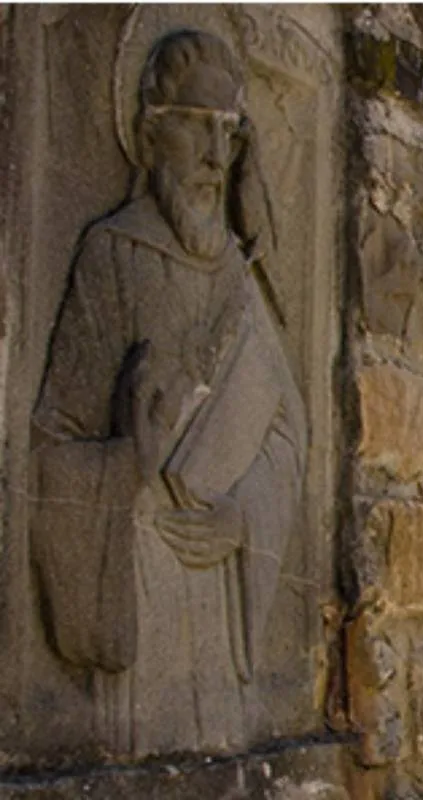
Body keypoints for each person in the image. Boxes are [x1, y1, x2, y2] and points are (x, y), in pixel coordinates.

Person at [30, 29, 306, 757]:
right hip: (139, 579)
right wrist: (129, 458)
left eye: (230, 134)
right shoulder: (113, 256)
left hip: (218, 591)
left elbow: (286, 432)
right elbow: (49, 445)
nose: (217, 158)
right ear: (152, 134)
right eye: (198, 129)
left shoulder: (242, 284)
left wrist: (243, 520)